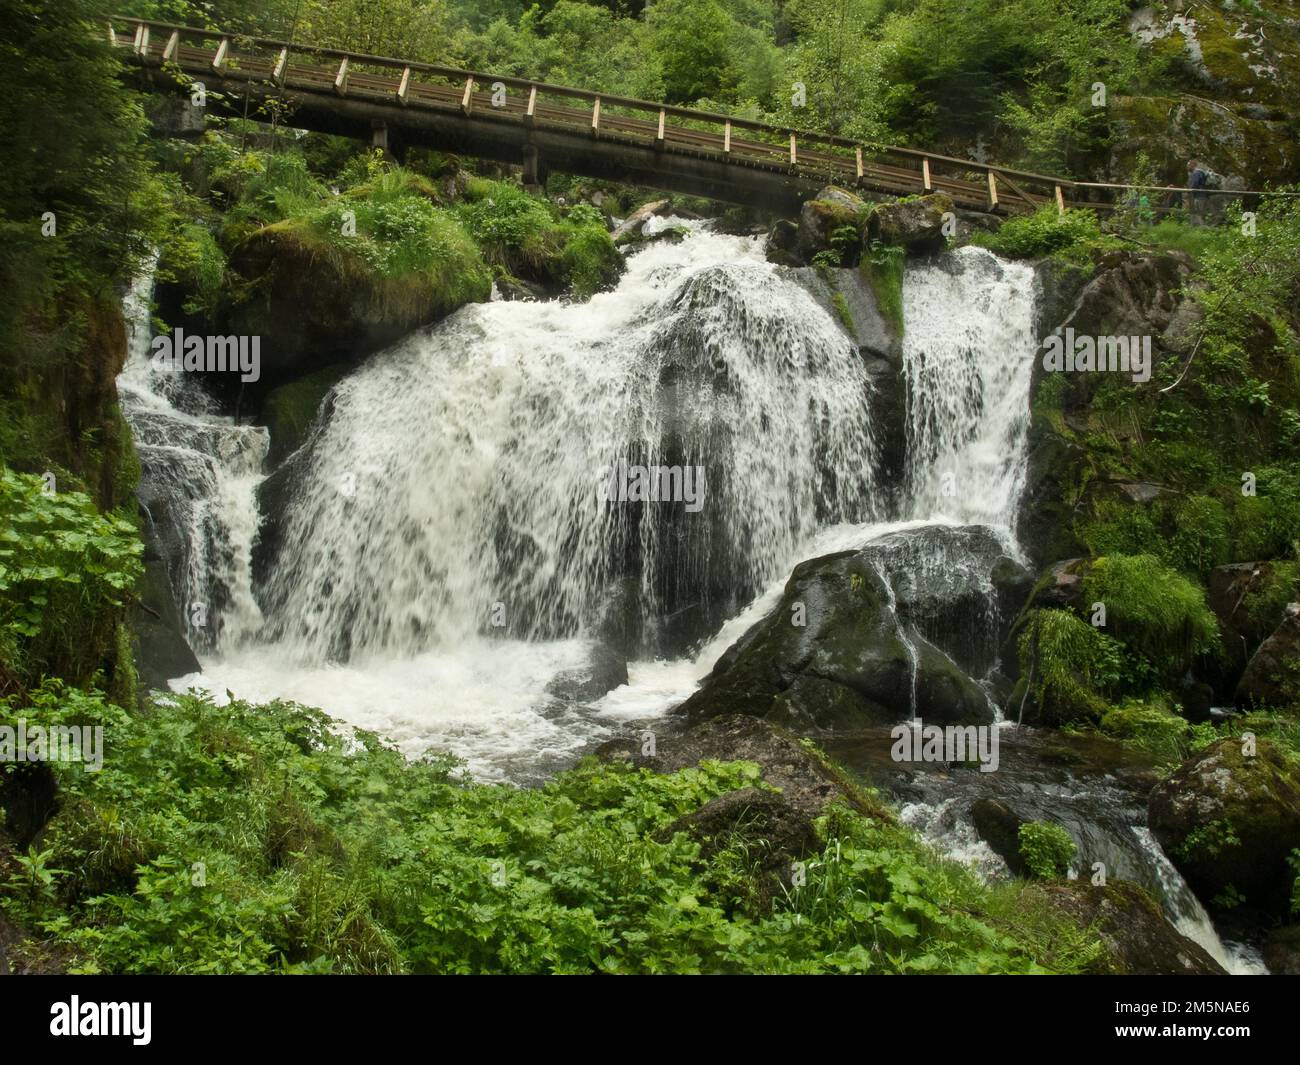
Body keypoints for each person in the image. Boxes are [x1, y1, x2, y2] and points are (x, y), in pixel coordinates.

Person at [1186, 159, 1209, 223]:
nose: (1187, 167)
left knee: (1198, 213)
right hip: (1200, 196)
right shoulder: (1197, 172)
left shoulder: (1197, 173)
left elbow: (1194, 184)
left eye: (1188, 165)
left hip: (1198, 196)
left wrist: (1189, 192)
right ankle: (1196, 228)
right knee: (1197, 213)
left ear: (1193, 165)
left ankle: (1200, 228)